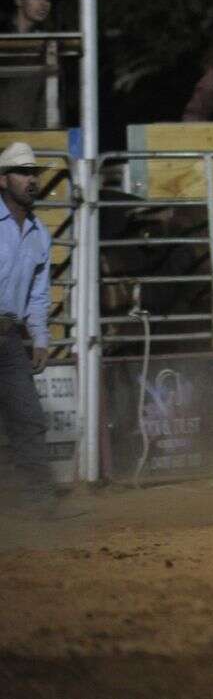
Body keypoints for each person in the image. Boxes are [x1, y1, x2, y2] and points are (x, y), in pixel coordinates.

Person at [0, 142, 56, 515]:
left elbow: (38, 294)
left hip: (8, 336)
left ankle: (38, 502)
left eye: (34, 173)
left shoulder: (39, 234)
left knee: (29, 417)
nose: (31, 179)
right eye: (23, 172)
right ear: (4, 180)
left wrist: (39, 338)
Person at [0, 0, 60, 130]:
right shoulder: (3, 32)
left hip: (30, 129)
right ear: (18, 0)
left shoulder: (48, 41)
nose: (44, 4)